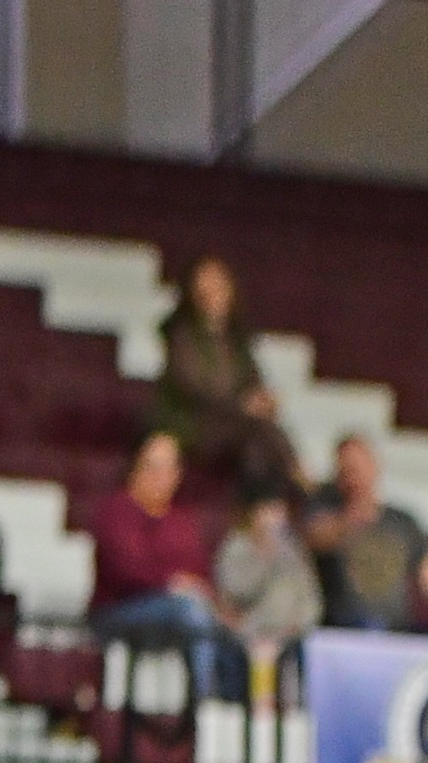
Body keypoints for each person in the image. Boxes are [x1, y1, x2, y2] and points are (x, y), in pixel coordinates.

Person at [90, 431, 246, 702]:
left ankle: (233, 705)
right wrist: (171, 583)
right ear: (135, 469)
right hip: (121, 608)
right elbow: (124, 570)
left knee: (234, 626)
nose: (160, 476)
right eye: (152, 467)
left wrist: (213, 601)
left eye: (168, 467)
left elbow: (201, 572)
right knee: (191, 612)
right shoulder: (117, 511)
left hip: (178, 605)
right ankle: (203, 701)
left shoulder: (182, 522)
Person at [156, 255, 304, 498]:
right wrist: (241, 405)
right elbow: (194, 387)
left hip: (236, 424)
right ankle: (295, 478)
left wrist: (262, 399)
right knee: (257, 430)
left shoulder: (236, 339)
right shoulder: (181, 336)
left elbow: (252, 380)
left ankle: (269, 502)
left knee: (257, 440)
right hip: (197, 424)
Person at [305, 435, 428, 630]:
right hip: (346, 628)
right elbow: (316, 538)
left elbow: (424, 572)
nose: (354, 476)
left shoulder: (403, 522)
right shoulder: (326, 514)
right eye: (347, 469)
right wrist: (351, 517)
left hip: (398, 629)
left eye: (358, 467)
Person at [214, 490, 323, 692]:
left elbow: (310, 596)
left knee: (310, 651)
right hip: (251, 632)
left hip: (291, 634)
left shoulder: (293, 552)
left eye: (278, 512)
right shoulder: (236, 548)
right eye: (266, 511)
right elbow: (238, 593)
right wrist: (266, 559)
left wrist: (301, 624)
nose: (272, 519)